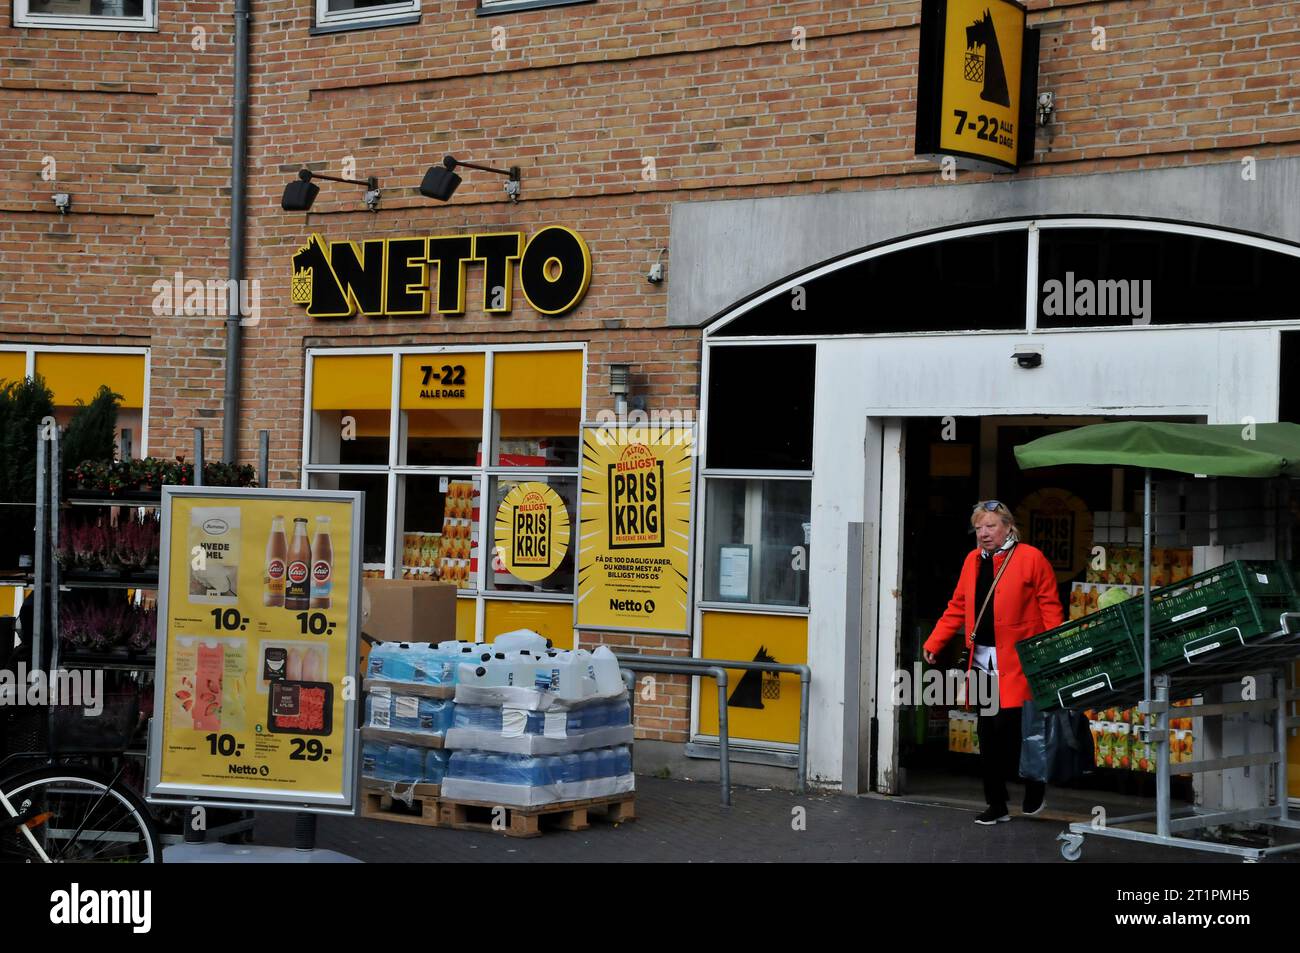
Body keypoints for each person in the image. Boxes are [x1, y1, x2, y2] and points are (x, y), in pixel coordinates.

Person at [923, 500, 1064, 825]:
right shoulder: (972, 561)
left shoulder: (1031, 558)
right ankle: (996, 803)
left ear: (1008, 527)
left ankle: (1034, 785)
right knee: (987, 733)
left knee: (1015, 729)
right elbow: (958, 605)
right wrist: (935, 641)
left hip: (1019, 660)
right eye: (980, 527)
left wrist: (1051, 649)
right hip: (983, 660)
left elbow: (1050, 608)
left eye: (991, 526)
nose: (984, 533)